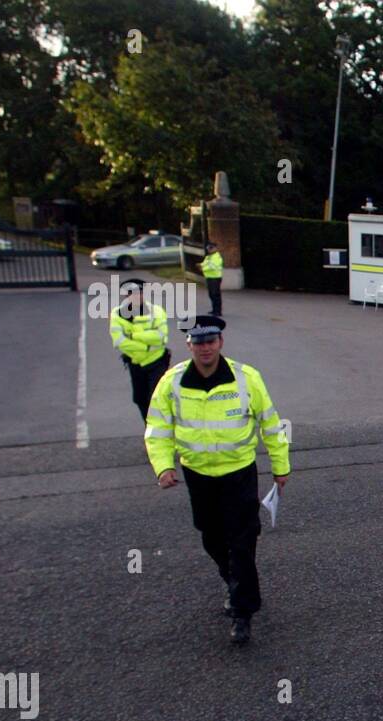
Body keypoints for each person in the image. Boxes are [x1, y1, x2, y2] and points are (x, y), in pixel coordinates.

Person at [144, 316, 291, 645]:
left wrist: (281, 467)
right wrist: (163, 466)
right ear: (189, 346)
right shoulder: (173, 382)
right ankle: (232, 579)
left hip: (239, 474)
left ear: (221, 343)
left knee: (242, 542)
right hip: (198, 476)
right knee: (211, 538)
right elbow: (158, 429)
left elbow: (270, 424)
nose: (205, 347)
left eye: (211, 341)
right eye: (198, 342)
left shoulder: (246, 378)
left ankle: (243, 612)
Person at [109, 282, 169, 421]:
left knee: (157, 399)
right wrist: (146, 346)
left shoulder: (157, 311)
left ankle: (162, 431)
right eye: (133, 293)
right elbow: (119, 342)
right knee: (140, 399)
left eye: (140, 293)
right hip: (135, 363)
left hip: (157, 361)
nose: (137, 296)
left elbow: (161, 338)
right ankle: (149, 429)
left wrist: (133, 336)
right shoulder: (117, 314)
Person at [200, 241, 224, 316]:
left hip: (215, 278)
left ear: (215, 248)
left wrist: (203, 269)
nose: (209, 250)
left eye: (211, 248)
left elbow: (213, 267)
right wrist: (200, 265)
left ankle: (218, 311)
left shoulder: (217, 257)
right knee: (211, 294)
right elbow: (204, 264)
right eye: (208, 248)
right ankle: (214, 310)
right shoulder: (208, 257)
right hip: (209, 277)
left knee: (215, 294)